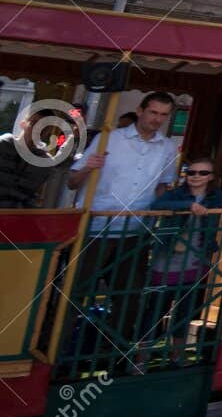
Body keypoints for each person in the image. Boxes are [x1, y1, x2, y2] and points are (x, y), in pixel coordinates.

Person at [64, 92, 180, 369]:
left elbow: (162, 188)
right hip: (95, 229)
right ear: (141, 111)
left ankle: (110, 357)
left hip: (135, 232)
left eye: (164, 115)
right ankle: (59, 354)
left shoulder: (167, 148)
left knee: (128, 298)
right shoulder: (110, 139)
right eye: (153, 113)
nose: (158, 120)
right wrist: (88, 168)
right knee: (73, 293)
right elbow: (72, 181)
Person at [141, 156, 222, 366]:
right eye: (191, 173)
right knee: (155, 310)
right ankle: (141, 358)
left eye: (202, 173)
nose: (195, 177)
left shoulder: (216, 197)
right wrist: (188, 205)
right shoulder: (177, 193)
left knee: (185, 311)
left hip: (195, 262)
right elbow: (157, 204)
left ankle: (177, 355)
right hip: (167, 260)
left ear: (210, 177)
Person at [0, 109, 71, 208]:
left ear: (48, 131)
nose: (38, 129)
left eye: (44, 127)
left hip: (16, 216)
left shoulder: (44, 162)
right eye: (34, 123)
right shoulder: (4, 144)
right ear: (23, 124)